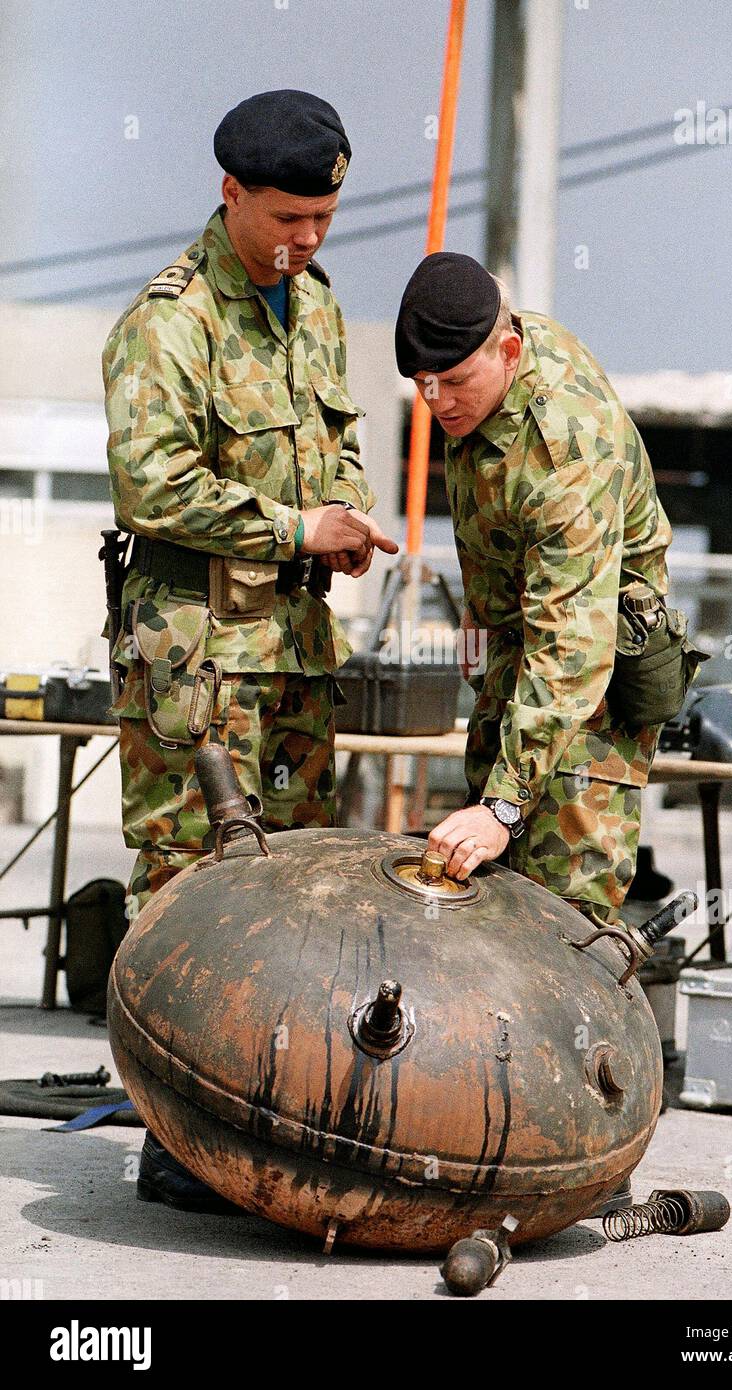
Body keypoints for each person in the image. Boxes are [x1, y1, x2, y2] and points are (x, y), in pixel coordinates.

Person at [103, 89, 397, 1210]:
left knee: (299, 878)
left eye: (322, 219)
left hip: (295, 649)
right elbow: (152, 481)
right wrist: (290, 528)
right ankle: (178, 1136)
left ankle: (281, 1106)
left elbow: (339, 443)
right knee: (192, 882)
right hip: (197, 657)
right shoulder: (169, 321)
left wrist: (347, 514)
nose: (305, 241)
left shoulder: (312, 307)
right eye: (286, 218)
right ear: (230, 193)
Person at [394, 252, 674, 927]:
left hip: (588, 688)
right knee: (484, 903)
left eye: (454, 382)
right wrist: (479, 614)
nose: (437, 403)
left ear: (510, 351)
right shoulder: (485, 368)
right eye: (424, 384)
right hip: (519, 651)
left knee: (559, 923)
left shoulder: (567, 452)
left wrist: (503, 808)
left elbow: (572, 648)